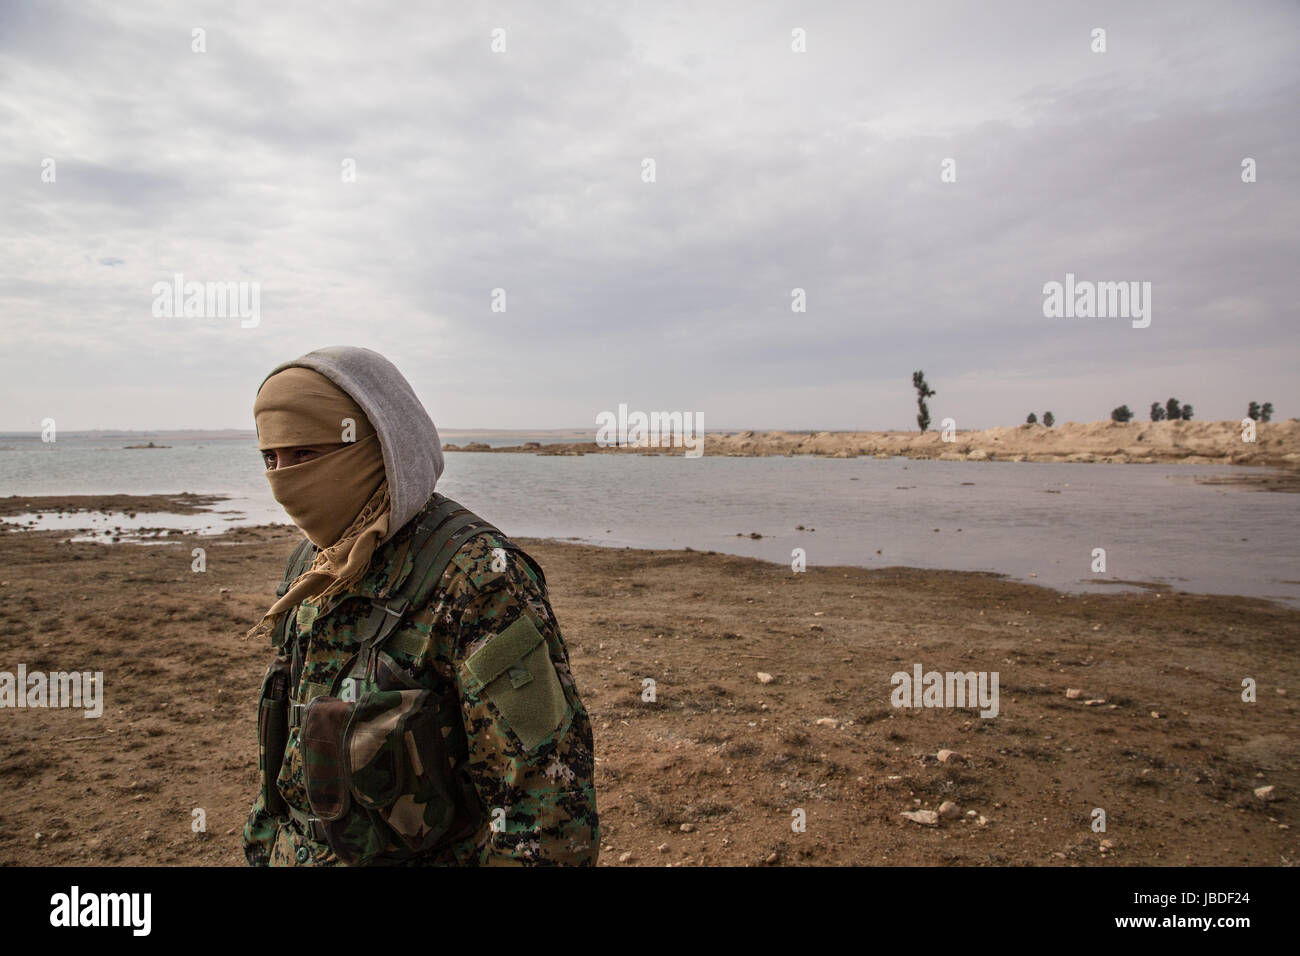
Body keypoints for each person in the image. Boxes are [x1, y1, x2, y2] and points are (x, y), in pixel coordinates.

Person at [240, 345, 599, 866]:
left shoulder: (477, 577)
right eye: (270, 459)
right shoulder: (313, 567)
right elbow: (288, 762)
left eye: (305, 454)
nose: (283, 480)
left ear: (377, 443)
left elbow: (545, 803)